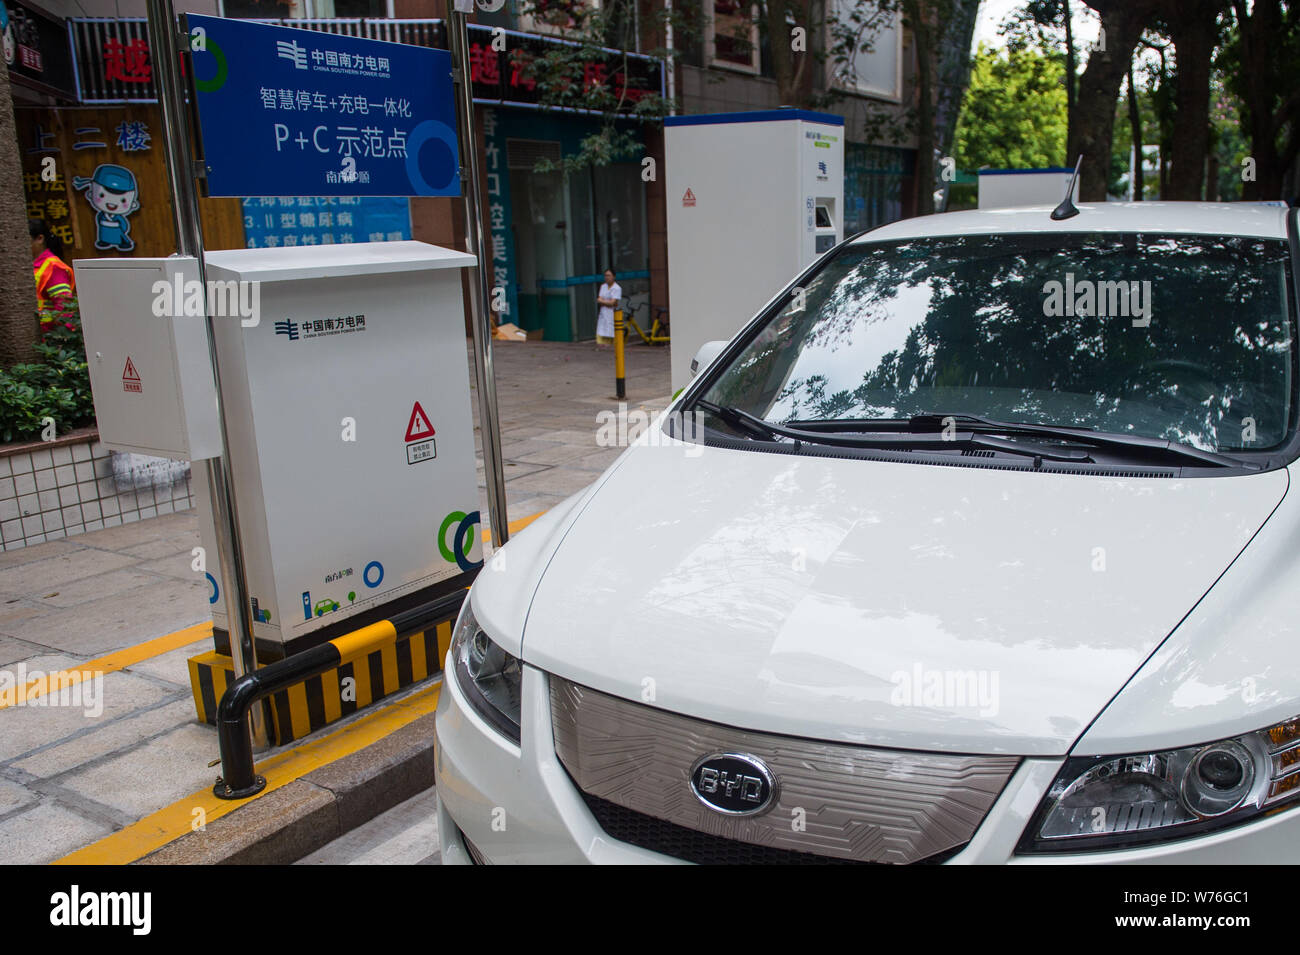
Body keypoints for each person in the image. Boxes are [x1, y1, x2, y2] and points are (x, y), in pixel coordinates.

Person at [30, 219, 75, 330]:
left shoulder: (53, 267)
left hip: (48, 339)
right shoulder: (28, 265)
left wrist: (62, 336)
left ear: (39, 239)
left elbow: (65, 307)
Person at [595, 268, 622, 348]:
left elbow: (613, 302)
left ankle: (609, 346)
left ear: (614, 277)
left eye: (609, 275)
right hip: (603, 312)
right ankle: (601, 346)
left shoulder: (617, 288)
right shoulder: (603, 286)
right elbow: (599, 299)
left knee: (610, 329)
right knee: (601, 329)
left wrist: (603, 302)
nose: (607, 277)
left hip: (611, 312)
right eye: (605, 275)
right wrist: (606, 302)